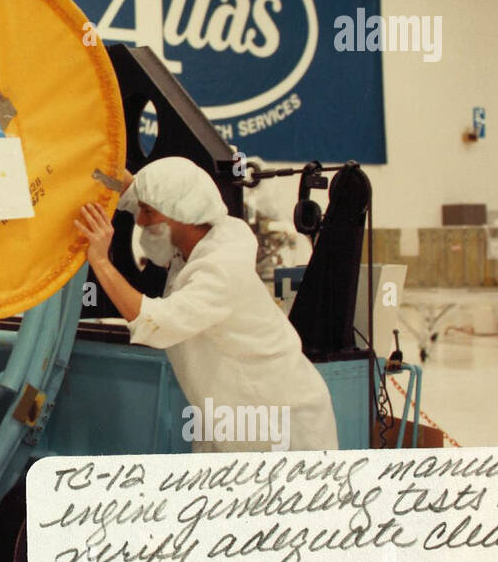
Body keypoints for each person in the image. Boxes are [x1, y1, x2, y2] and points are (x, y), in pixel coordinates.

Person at [74, 156, 338, 453]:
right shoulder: (193, 234)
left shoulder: (221, 270)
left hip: (278, 425)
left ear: (181, 217)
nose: (140, 220)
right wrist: (92, 164)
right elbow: (136, 192)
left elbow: (156, 324)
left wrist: (100, 260)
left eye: (148, 212)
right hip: (229, 416)